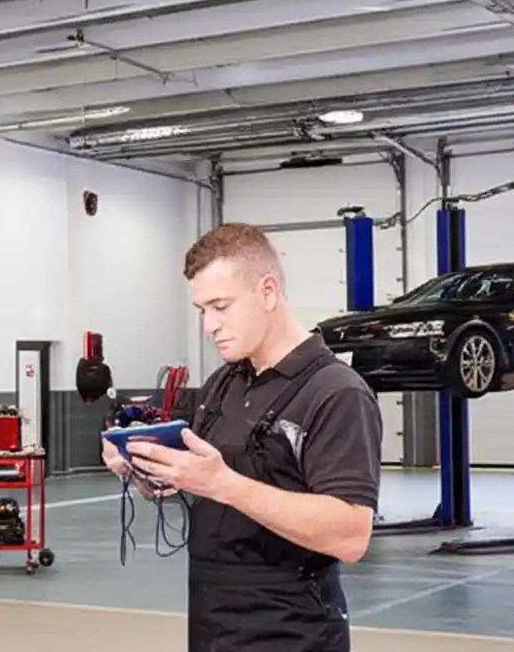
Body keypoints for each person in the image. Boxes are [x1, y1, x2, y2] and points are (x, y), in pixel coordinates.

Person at [101, 222, 383, 652]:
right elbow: (190, 481)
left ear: (267, 291)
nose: (209, 325)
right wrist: (143, 469)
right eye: (201, 310)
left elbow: (349, 535)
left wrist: (223, 484)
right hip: (213, 624)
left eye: (220, 306)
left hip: (292, 632)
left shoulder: (335, 392)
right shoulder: (222, 385)